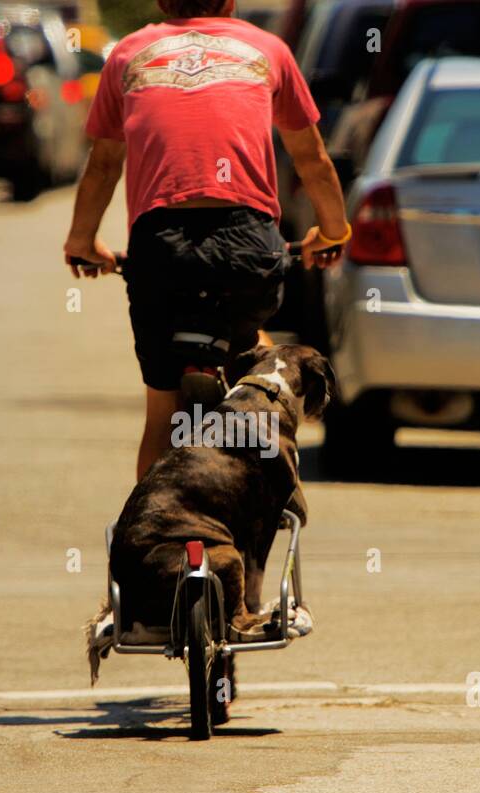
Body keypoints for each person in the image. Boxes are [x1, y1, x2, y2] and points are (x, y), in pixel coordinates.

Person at [63, 0, 352, 478]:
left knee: (161, 412)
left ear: (160, 2)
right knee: (254, 357)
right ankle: (263, 466)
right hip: (248, 243)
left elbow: (103, 165)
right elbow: (312, 157)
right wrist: (333, 231)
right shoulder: (268, 49)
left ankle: (154, 536)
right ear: (231, 2)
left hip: (161, 247)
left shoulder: (128, 54)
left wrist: (82, 241)